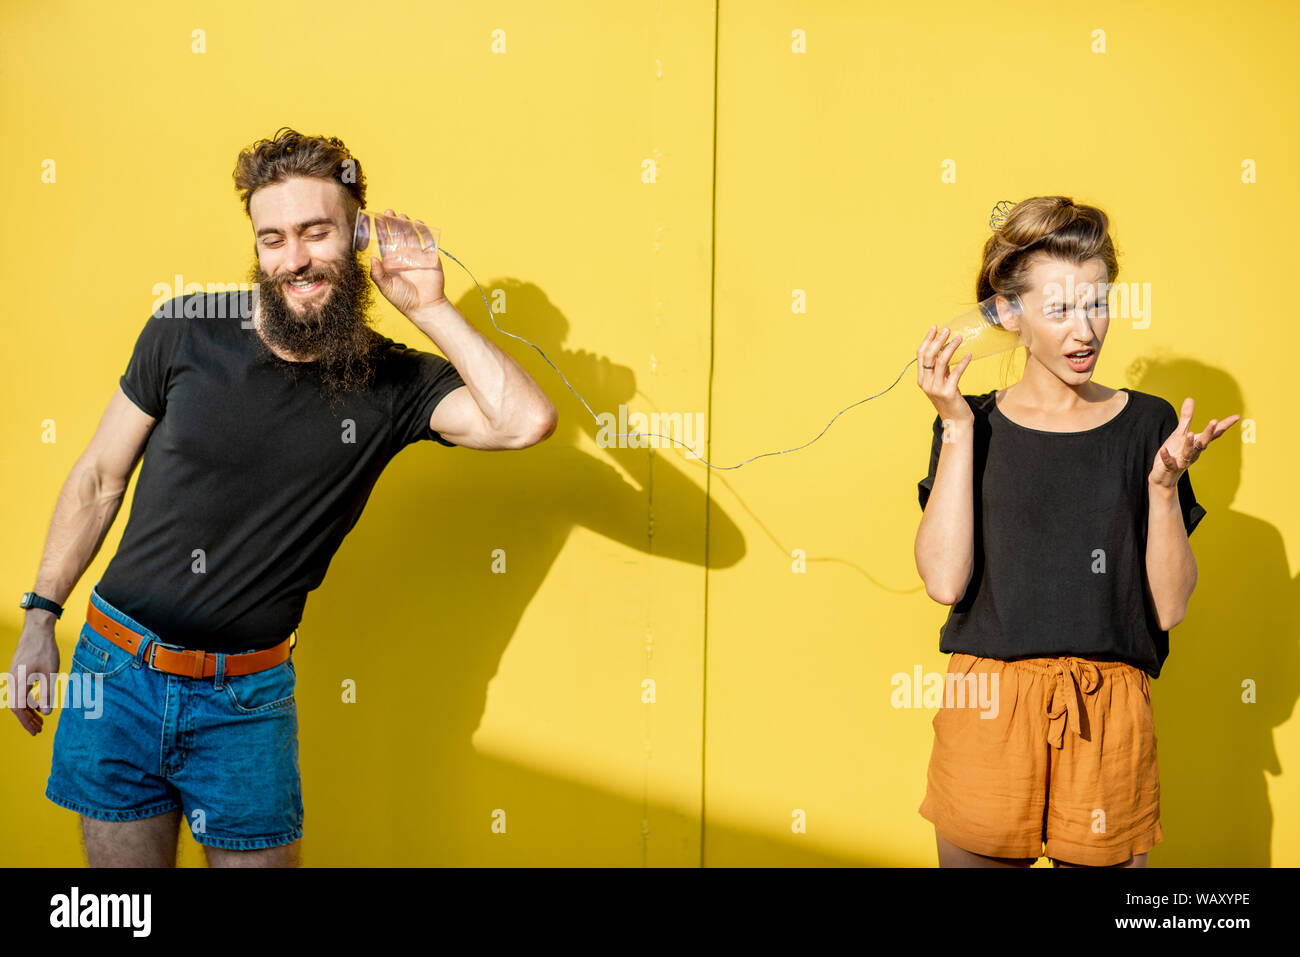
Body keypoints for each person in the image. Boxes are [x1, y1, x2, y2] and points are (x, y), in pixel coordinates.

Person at [8, 128, 558, 867]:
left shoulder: (395, 382)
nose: (293, 258)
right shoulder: (185, 328)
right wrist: (41, 615)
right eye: (273, 237)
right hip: (115, 675)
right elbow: (99, 477)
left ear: (359, 235)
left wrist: (428, 307)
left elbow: (526, 422)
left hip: (246, 703)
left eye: (315, 232)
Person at [913, 196, 1239, 868]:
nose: (1085, 328)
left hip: (1108, 715)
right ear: (1009, 313)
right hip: (988, 705)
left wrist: (1163, 487)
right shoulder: (972, 425)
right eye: (1059, 308)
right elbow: (944, 580)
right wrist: (956, 428)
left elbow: (1171, 606)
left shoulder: (1150, 427)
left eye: (1098, 303)